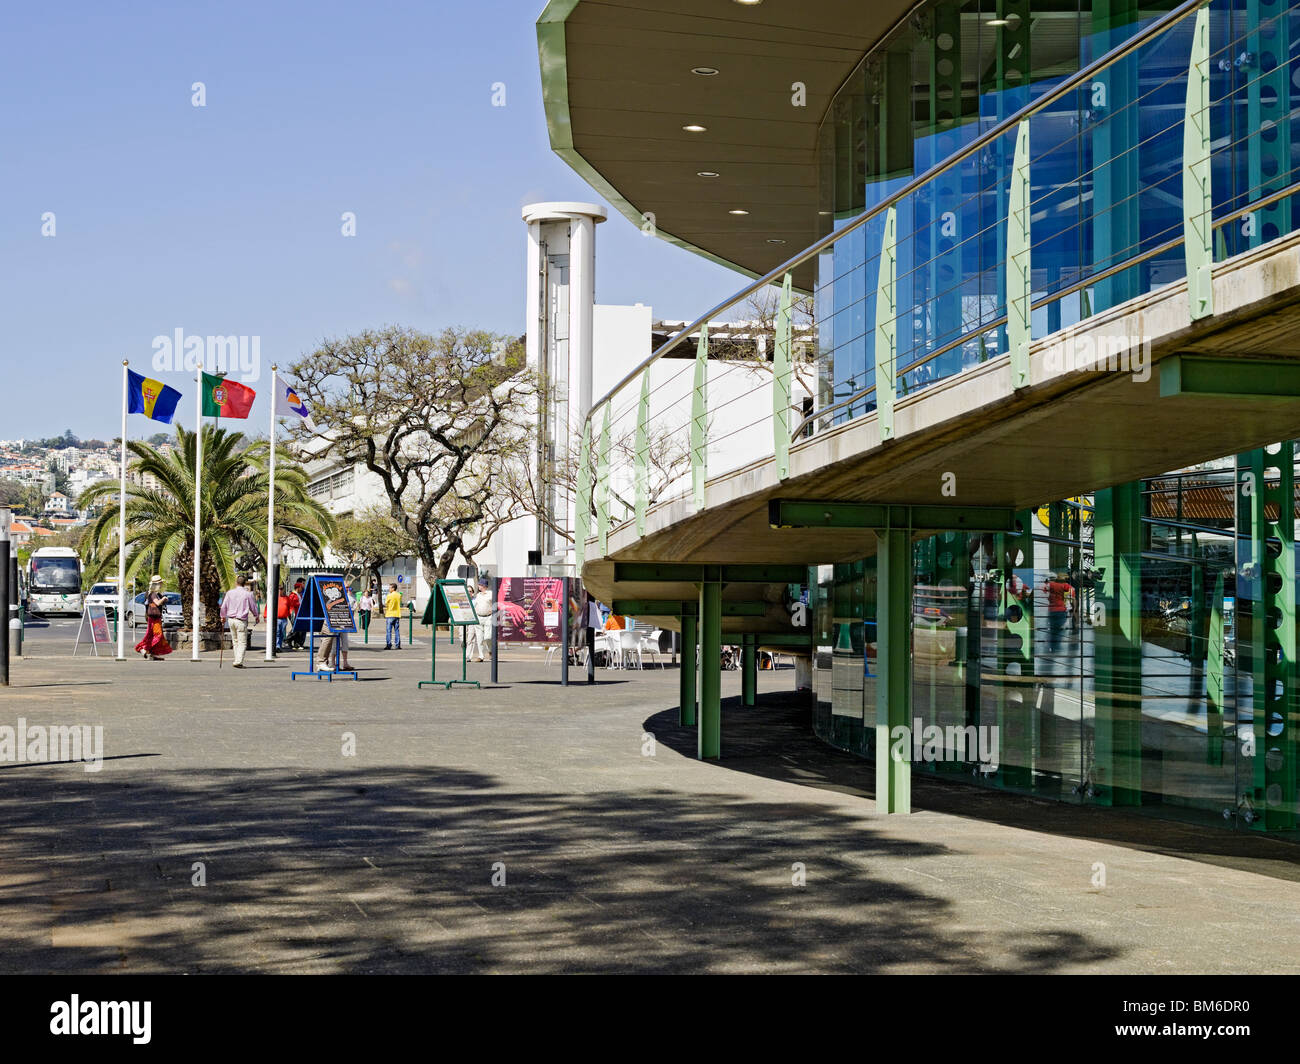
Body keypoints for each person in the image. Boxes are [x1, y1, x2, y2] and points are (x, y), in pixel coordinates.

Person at [220, 574, 259, 668]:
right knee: (242, 642)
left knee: (235, 641)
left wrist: (222, 616)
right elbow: (253, 606)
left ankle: (237, 659)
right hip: (241, 620)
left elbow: (224, 606)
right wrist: (256, 615)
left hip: (231, 620)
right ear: (244, 583)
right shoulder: (247, 594)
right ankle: (238, 661)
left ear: (236, 583)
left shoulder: (229, 593)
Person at [134, 575, 173, 660]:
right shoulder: (153, 594)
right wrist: (164, 599)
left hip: (154, 617)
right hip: (154, 618)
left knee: (151, 636)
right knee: (157, 635)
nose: (161, 585)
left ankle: (152, 654)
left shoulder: (153, 593)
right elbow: (157, 603)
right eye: (160, 584)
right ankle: (143, 648)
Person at [472, 582, 492, 663]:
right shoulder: (478, 595)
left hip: (488, 617)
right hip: (479, 618)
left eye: (479, 584)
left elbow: (497, 603)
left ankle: (490, 650)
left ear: (483, 585)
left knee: (488, 637)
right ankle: (481, 656)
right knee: (479, 638)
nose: (478, 586)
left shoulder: (491, 594)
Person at [384, 583, 403, 649]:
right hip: (397, 614)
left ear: (393, 588)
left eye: (390, 588)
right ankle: (397, 645)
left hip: (390, 614)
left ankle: (389, 645)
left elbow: (386, 603)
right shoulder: (399, 595)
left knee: (389, 631)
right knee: (397, 630)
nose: (389, 589)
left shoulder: (389, 595)